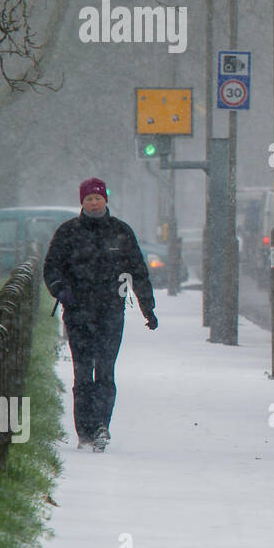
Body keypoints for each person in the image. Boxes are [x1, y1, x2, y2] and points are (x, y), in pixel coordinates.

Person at [43, 178, 158, 452]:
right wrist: (61, 290)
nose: (94, 203)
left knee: (105, 372)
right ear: (82, 203)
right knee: (83, 373)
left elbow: (138, 271)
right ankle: (84, 429)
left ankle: (101, 426)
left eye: (98, 198)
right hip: (78, 313)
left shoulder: (121, 232)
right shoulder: (68, 232)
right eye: (88, 199)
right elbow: (51, 267)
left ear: (106, 200)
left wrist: (147, 307)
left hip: (110, 313)